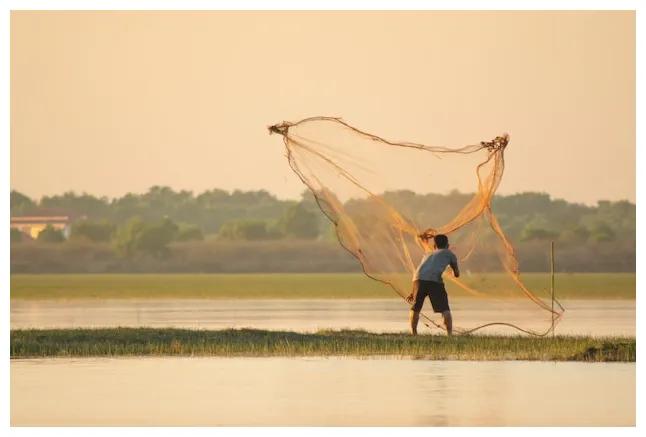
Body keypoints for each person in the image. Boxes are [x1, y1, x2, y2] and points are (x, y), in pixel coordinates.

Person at [406, 234, 459, 336]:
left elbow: (421, 273)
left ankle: (414, 333)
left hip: (417, 279)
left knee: (415, 307)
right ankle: (449, 335)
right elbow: (457, 274)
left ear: (434, 246)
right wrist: (452, 269)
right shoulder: (449, 253)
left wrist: (413, 292)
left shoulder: (428, 255)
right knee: (444, 308)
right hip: (433, 280)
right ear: (447, 245)